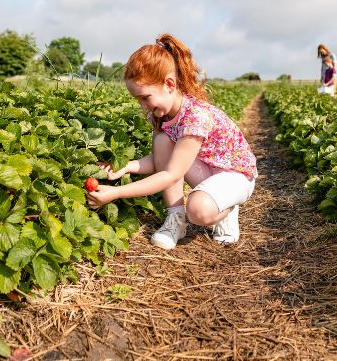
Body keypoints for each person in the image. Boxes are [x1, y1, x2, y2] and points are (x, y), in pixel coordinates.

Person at [86, 34, 258, 249]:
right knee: (162, 141)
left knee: (198, 210)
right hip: (207, 168)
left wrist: (116, 193)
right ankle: (176, 218)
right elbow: (161, 161)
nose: (143, 106)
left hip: (236, 175)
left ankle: (227, 209)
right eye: (138, 100)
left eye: (145, 97)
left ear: (169, 84)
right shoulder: (161, 116)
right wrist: (125, 167)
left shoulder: (195, 116)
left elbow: (171, 174)